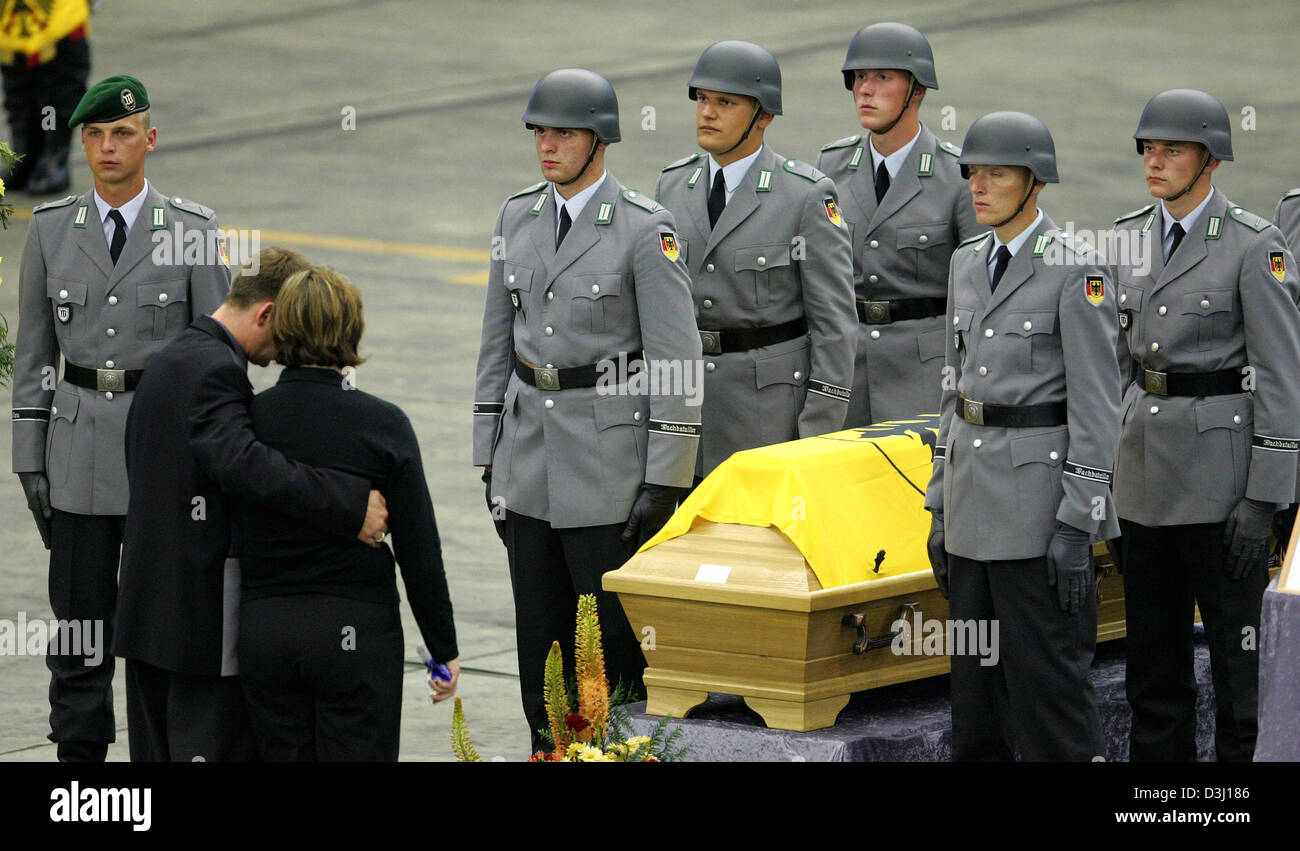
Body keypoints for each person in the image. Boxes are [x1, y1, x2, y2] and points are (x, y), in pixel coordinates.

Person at [473, 68, 701, 753]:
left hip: (609, 473)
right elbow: (495, 342)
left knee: (611, 655)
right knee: (539, 649)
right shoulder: (516, 216)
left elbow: (677, 359)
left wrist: (667, 475)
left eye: (563, 133)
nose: (547, 145)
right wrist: (488, 456)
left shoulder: (643, 229)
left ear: (599, 140)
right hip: (531, 465)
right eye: (539, 131)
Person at [10, 73, 231, 762]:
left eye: (123, 133)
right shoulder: (50, 231)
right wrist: (28, 454)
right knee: (78, 625)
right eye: (97, 135)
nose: (109, 147)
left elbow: (219, 361)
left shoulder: (191, 231)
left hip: (162, 460)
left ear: (150, 140)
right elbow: (34, 349)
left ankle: (162, 752)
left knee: (163, 625)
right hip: (75, 456)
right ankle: (79, 763)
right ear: (83, 142)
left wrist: (211, 462)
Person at [116, 247, 390, 762]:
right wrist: (349, 506)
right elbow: (246, 467)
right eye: (283, 329)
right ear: (265, 313)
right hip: (198, 625)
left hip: (149, 614)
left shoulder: (172, 358)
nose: (285, 347)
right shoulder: (217, 370)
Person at [923, 111, 1121, 761]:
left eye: (996, 174)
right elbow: (955, 394)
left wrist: (1077, 524)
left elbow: (1098, 407)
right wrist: (938, 503)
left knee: (1049, 703)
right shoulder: (965, 263)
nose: (978, 186)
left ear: (1035, 182)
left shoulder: (1076, 268)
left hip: (1040, 517)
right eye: (972, 173)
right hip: (973, 515)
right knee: (976, 710)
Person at [1112, 89, 1300, 762]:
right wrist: (1107, 486)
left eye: (1172, 150)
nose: (1154, 162)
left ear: (1210, 160)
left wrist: (1265, 497)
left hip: (1222, 490)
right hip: (1143, 487)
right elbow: (1114, 370)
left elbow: (1281, 378)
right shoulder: (1128, 237)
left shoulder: (1255, 245)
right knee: (1152, 678)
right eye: (1148, 149)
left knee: (1238, 674)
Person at [237, 266, 460, 761]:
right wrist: (441, 648)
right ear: (350, 330)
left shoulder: (248, 420)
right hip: (355, 631)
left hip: (265, 629)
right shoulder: (384, 423)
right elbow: (420, 549)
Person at [656, 40, 856, 479]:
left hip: (767, 423)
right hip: (687, 418)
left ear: (763, 116)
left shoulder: (805, 195)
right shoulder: (672, 187)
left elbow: (835, 327)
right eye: (703, 99)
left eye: (725, 102)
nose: (707, 113)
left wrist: (815, 437)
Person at [816, 22, 981, 427]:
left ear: (917, 89)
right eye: (858, 78)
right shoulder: (830, 168)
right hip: (845, 377)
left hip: (923, 377)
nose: (865, 90)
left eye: (882, 78)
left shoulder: (956, 176)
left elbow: (976, 296)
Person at [0, 0, 91, 193]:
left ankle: (53, 158)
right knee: (18, 90)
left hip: (58, 16)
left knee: (57, 95)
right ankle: (25, 157)